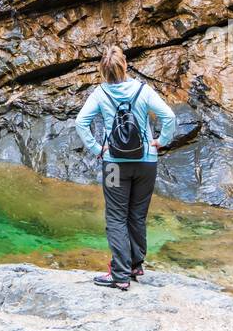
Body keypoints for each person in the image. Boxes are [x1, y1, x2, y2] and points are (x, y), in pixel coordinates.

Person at [75, 43, 176, 291]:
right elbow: (169, 117)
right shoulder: (143, 90)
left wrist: (98, 148)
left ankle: (119, 275)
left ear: (103, 71)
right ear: (126, 65)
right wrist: (161, 142)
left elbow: (81, 122)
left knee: (116, 217)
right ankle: (135, 265)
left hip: (114, 166)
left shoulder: (100, 94)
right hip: (146, 162)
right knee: (137, 214)